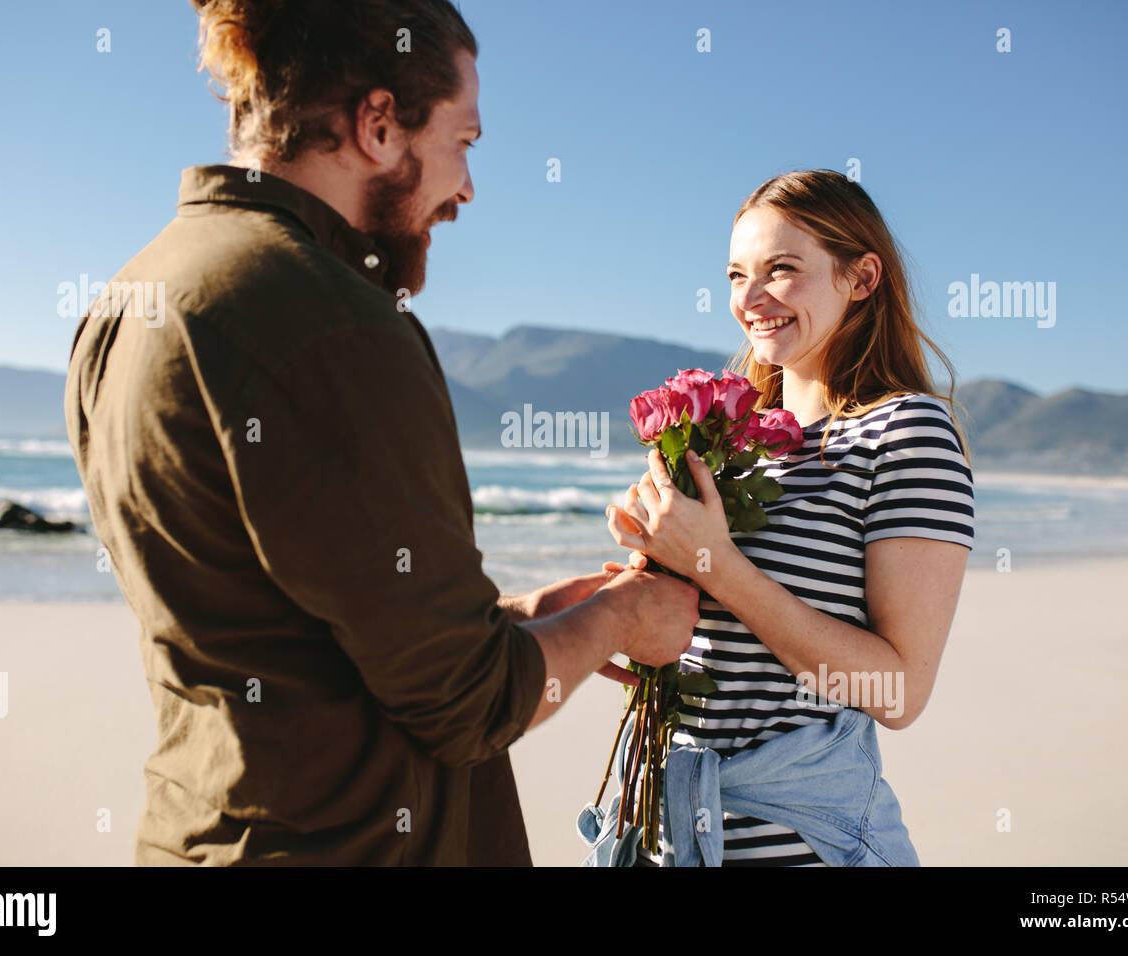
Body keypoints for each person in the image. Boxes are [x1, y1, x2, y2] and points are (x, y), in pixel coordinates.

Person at [64, 0, 698, 866]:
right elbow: (467, 705)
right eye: (464, 142)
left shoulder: (127, 301)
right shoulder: (333, 320)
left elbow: (287, 623)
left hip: (198, 833)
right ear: (378, 125)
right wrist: (624, 616)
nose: (468, 187)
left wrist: (523, 618)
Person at [605, 169, 975, 865]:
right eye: (737, 274)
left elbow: (897, 692)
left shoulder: (906, 434)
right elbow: (725, 650)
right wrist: (632, 604)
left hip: (805, 847)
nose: (750, 298)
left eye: (782, 270)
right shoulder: (729, 444)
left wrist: (716, 561)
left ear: (861, 278)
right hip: (670, 834)